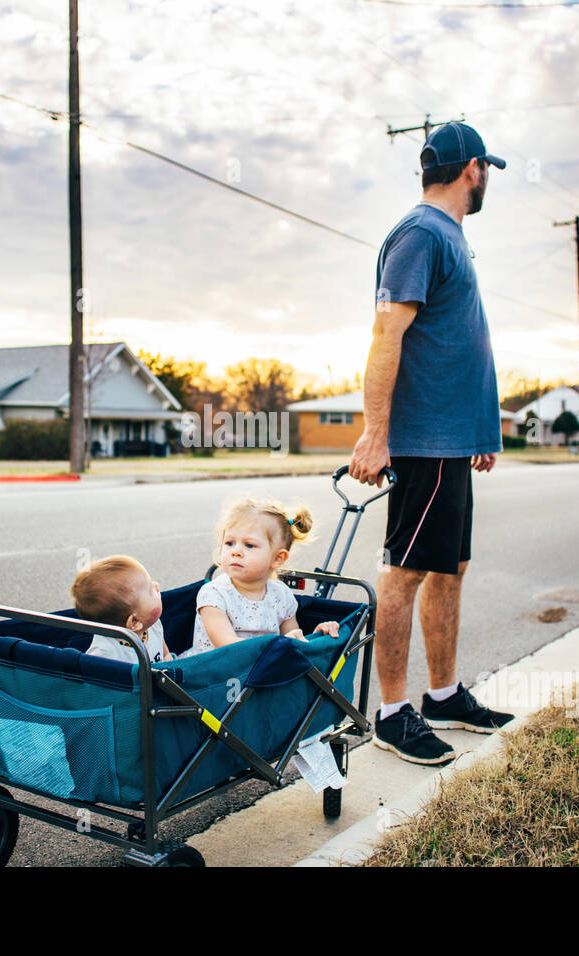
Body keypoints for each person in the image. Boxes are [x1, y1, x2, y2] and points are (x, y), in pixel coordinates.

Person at [349, 121, 515, 766]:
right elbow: (386, 335)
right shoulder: (420, 234)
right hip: (423, 442)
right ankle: (392, 714)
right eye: (486, 170)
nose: (487, 180)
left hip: (454, 440)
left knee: (450, 567)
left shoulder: (450, 239)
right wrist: (375, 433)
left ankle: (443, 695)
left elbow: (457, 343)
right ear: (472, 168)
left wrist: (480, 428)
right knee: (406, 571)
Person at [185, 498, 340, 657]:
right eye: (229, 543)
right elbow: (225, 644)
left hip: (259, 675)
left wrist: (317, 636)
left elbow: (295, 641)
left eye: (249, 545)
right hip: (213, 676)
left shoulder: (281, 595)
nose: (235, 551)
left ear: (277, 558)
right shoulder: (214, 593)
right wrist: (277, 645)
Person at [71, 555, 172, 665]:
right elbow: (93, 680)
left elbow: (165, 654)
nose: (156, 585)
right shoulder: (105, 654)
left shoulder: (152, 624)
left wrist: (169, 660)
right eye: (150, 591)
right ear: (134, 622)